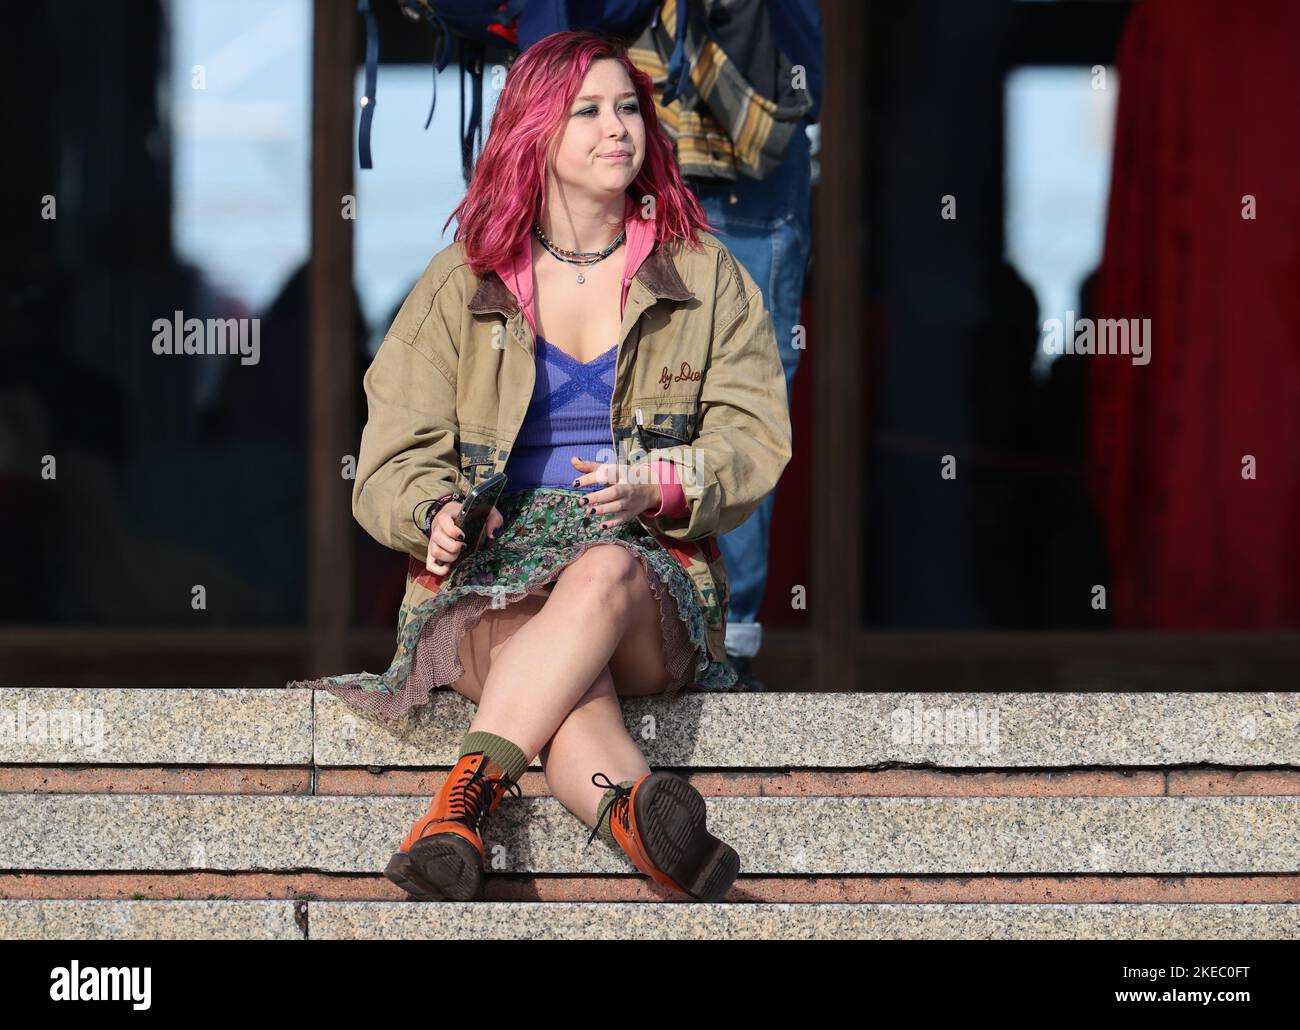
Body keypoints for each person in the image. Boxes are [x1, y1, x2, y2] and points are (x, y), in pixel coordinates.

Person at [288, 30, 792, 903]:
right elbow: (389, 462)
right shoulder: (460, 283)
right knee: (570, 689)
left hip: (641, 574)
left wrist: (661, 482)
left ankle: (457, 808)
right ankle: (639, 813)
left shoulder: (709, 278)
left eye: (628, 107)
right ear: (535, 135)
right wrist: (433, 512)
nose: (617, 128)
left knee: (597, 574)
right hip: (490, 576)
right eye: (587, 111)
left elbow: (753, 439)